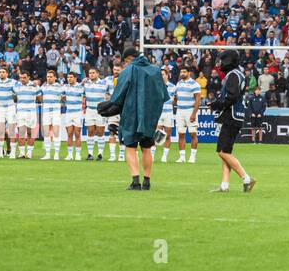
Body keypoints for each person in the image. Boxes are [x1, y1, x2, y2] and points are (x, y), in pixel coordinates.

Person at [99, 45, 167, 191]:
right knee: (147, 148)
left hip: (130, 115)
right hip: (149, 116)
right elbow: (163, 96)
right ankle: (147, 181)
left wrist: (108, 107)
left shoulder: (128, 71)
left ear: (129, 59)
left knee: (130, 147)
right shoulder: (156, 70)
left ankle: (135, 181)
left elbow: (118, 97)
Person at [210, 50, 256, 193]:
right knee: (226, 153)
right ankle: (224, 185)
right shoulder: (239, 74)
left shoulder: (233, 75)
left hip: (231, 116)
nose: (220, 63)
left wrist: (218, 104)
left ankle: (246, 178)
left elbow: (231, 97)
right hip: (236, 115)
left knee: (222, 152)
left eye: (222, 60)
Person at [174, 66, 203, 161]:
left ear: (189, 73)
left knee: (192, 134)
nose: (182, 73)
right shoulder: (178, 84)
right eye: (181, 71)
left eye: (184, 72)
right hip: (180, 111)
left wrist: (194, 114)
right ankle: (182, 157)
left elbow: (198, 101)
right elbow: (176, 97)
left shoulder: (194, 84)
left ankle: (192, 156)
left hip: (190, 111)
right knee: (181, 134)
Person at [82, 67, 111, 161]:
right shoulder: (86, 84)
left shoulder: (104, 83)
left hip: (100, 111)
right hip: (89, 110)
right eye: (90, 73)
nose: (91, 74)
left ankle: (100, 154)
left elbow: (111, 91)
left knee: (100, 132)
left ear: (97, 74)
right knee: (90, 131)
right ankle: (90, 154)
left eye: (93, 73)